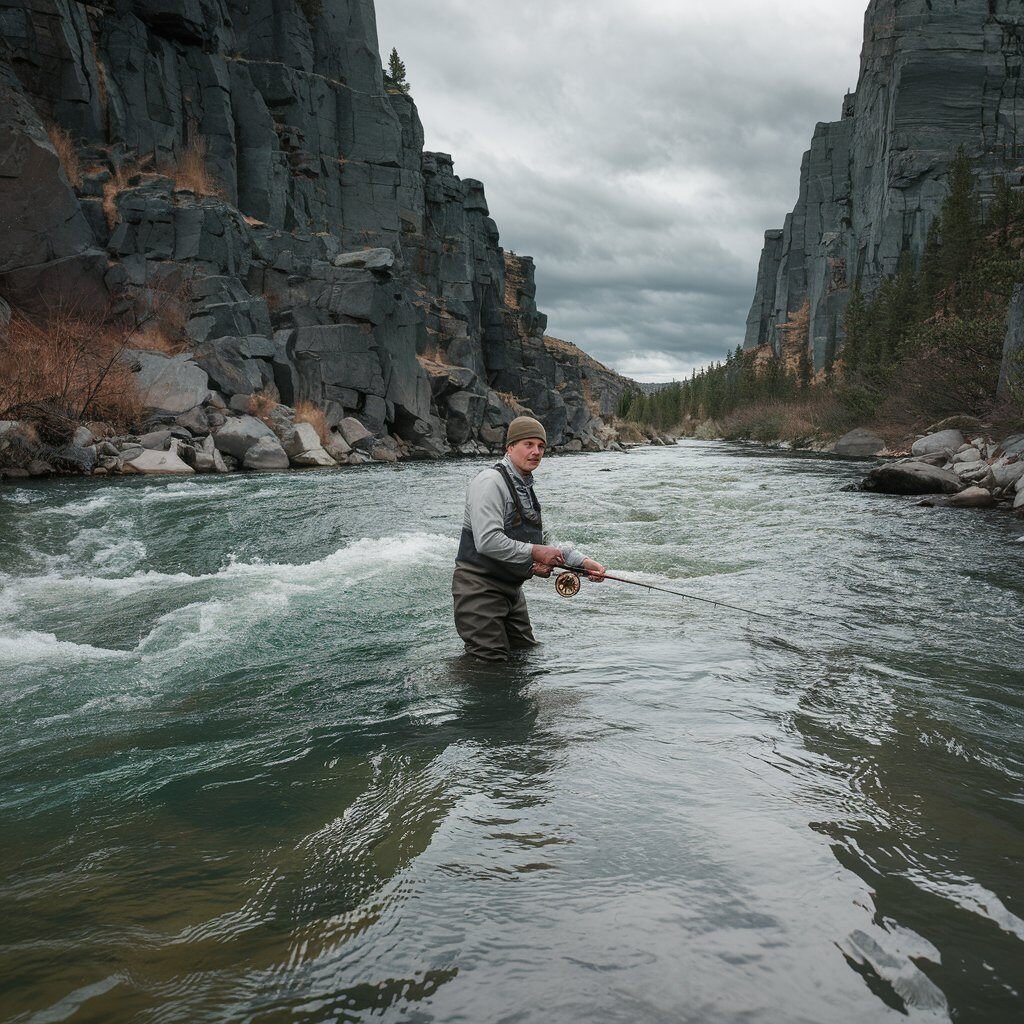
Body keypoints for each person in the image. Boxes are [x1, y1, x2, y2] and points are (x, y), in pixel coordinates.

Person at [452, 415, 606, 662]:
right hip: (478, 589)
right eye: (528, 444)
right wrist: (535, 553)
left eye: (541, 446)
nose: (536, 452)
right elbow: (487, 541)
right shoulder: (490, 483)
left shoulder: (524, 484)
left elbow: (543, 541)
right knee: (490, 663)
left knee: (525, 656)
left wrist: (582, 563)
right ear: (510, 447)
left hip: (511, 589)